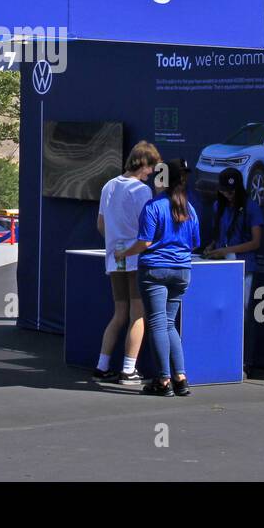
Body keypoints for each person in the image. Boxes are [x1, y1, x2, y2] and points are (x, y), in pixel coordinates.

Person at [129, 158, 200, 396]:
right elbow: (195, 243)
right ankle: (180, 378)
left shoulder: (153, 206)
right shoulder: (189, 209)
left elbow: (145, 242)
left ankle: (163, 380)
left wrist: (123, 252)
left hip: (155, 270)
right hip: (182, 271)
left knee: (159, 324)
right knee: (169, 324)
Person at [92, 141, 162, 384]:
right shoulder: (142, 191)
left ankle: (102, 366)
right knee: (138, 315)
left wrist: (116, 244)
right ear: (143, 163)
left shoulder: (108, 186)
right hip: (134, 258)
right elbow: (148, 230)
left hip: (115, 257)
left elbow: (101, 225)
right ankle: (128, 370)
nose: (152, 173)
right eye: (151, 167)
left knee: (120, 312)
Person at [202, 167, 264, 374]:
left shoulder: (251, 207)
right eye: (224, 191)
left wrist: (226, 250)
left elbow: (255, 242)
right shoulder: (217, 206)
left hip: (243, 267)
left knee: (242, 313)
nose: (227, 195)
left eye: (231, 191)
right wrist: (212, 247)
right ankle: (219, 356)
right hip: (221, 266)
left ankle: (244, 361)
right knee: (220, 311)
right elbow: (219, 236)